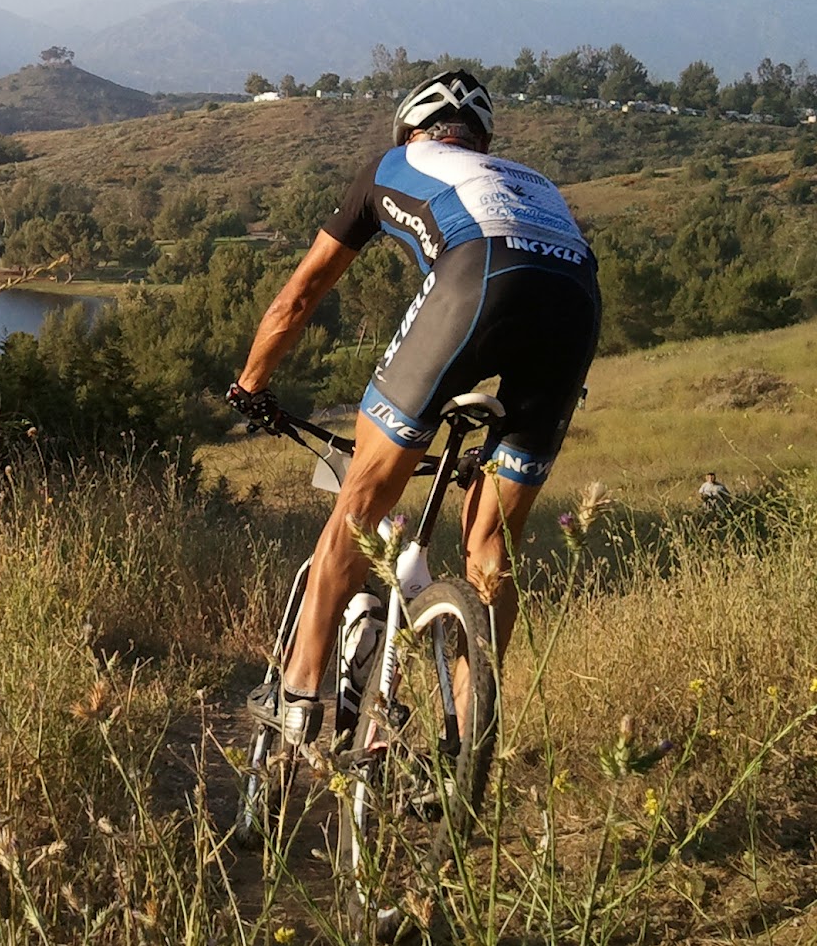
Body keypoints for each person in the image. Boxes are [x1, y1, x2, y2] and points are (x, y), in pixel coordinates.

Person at [226, 69, 602, 744]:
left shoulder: (393, 165)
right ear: (480, 140)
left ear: (411, 129)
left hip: (478, 277)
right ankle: (466, 747)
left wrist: (251, 382)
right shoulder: (533, 182)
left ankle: (301, 694)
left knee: (364, 496)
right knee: (492, 546)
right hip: (575, 301)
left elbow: (301, 294)